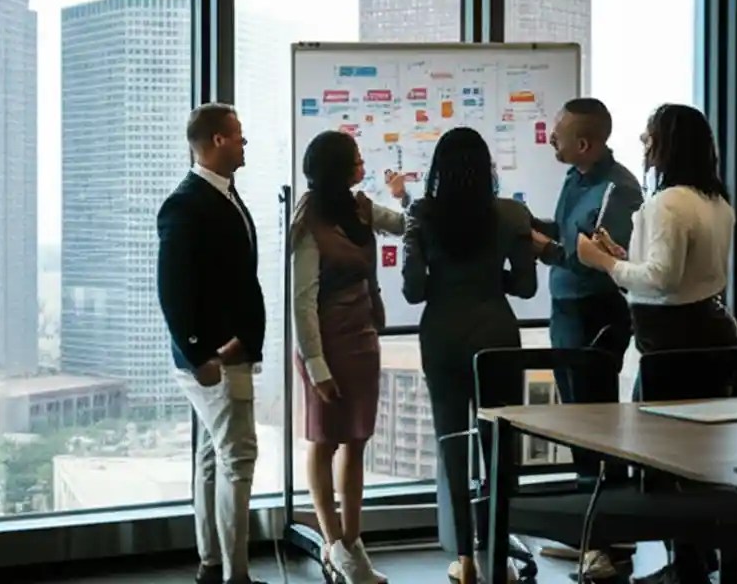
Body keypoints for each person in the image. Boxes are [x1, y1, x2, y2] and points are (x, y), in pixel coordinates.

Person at [576, 103, 737, 584]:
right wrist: (628, 258)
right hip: (710, 333)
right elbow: (678, 274)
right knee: (699, 457)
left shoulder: (667, 203)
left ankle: (685, 564)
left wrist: (604, 264)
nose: (644, 147)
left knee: (664, 460)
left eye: (649, 138)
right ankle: (696, 556)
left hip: (673, 344)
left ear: (667, 144)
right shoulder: (716, 202)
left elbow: (663, 281)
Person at [401, 127, 536, 584]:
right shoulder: (512, 215)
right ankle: (499, 556)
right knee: (498, 449)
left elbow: (414, 290)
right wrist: (490, 279)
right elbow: (527, 286)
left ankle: (464, 561)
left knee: (452, 445)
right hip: (497, 336)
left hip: (441, 336)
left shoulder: (422, 215)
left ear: (439, 169)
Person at [529, 97, 643, 580]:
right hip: (566, 312)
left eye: (558, 132)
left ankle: (610, 544)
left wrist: (547, 250)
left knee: (598, 427)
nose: (550, 138)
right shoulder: (574, 179)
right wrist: (527, 226)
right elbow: (566, 233)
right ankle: (590, 534)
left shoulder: (620, 189)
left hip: (595, 313)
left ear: (585, 142)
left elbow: (601, 260)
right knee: (579, 425)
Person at [291, 130, 409, 584]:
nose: (364, 165)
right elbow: (302, 303)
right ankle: (334, 544)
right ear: (339, 168)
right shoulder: (308, 222)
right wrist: (316, 367)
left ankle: (353, 543)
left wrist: (406, 196)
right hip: (326, 344)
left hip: (361, 338)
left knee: (356, 439)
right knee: (324, 440)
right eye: (357, 159)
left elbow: (405, 225)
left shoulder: (359, 208)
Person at [157, 103, 266, 584]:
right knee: (237, 459)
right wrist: (202, 353)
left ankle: (213, 564)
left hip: (226, 353)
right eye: (239, 135)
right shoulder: (187, 203)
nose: (245, 142)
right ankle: (235, 576)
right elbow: (173, 289)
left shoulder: (222, 194)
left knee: (212, 456)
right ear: (217, 140)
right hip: (217, 360)